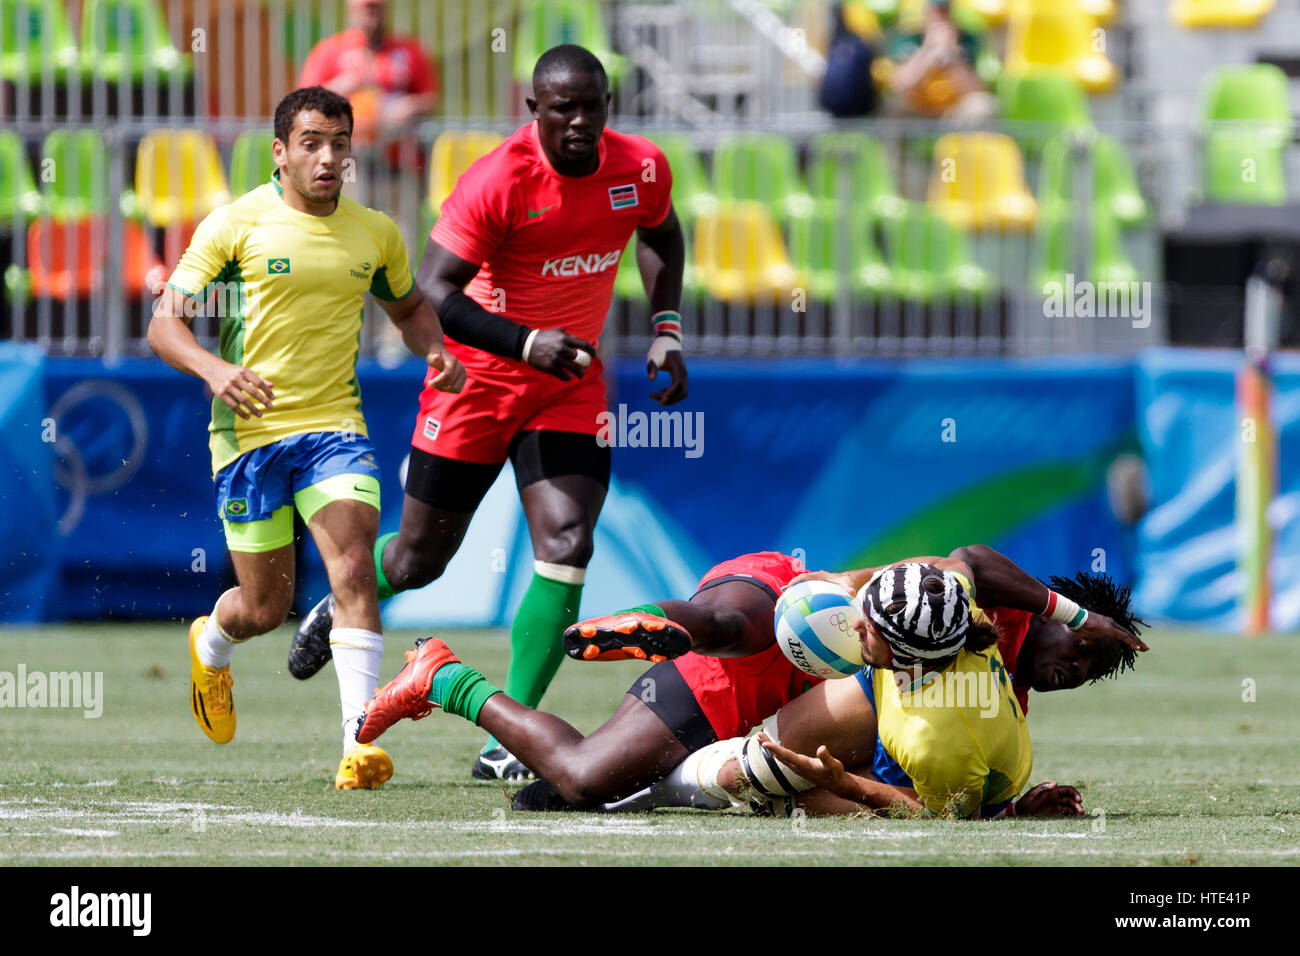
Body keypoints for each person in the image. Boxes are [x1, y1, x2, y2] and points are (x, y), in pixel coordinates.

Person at [289, 43, 690, 782]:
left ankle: (512, 738)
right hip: (475, 384)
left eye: (592, 105)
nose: (579, 121)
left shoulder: (639, 168)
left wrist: (665, 333)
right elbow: (433, 293)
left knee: (568, 543)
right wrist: (526, 341)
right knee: (418, 560)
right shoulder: (498, 181)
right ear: (533, 110)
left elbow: (662, 233)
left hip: (569, 384)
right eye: (562, 107)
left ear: (608, 107)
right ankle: (342, 598)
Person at [146, 86, 465, 789]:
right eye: (313, 143)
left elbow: (410, 306)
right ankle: (214, 643)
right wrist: (214, 367)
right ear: (280, 153)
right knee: (262, 607)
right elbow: (164, 324)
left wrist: (434, 349)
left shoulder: (374, 232)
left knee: (353, 568)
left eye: (340, 143)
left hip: (335, 430)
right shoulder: (233, 226)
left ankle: (358, 742)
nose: (328, 158)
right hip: (248, 437)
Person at [346, 546, 1144, 812]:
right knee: (726, 630)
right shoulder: (992, 607)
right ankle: (442, 676)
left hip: (791, 645)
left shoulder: (1001, 689)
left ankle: (446, 678)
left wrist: (1012, 808)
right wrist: (1070, 612)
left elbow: (951, 785)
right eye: (1084, 654)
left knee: (580, 782)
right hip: (785, 612)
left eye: (1090, 675)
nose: (1076, 672)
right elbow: (966, 561)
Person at [298, 0, 438, 141]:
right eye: (366, 9)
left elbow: (431, 99)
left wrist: (410, 106)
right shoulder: (329, 50)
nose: (372, 15)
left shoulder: (410, 50)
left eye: (377, 8)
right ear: (351, 11)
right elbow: (302, 102)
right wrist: (337, 89)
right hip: (346, 150)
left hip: (398, 149)